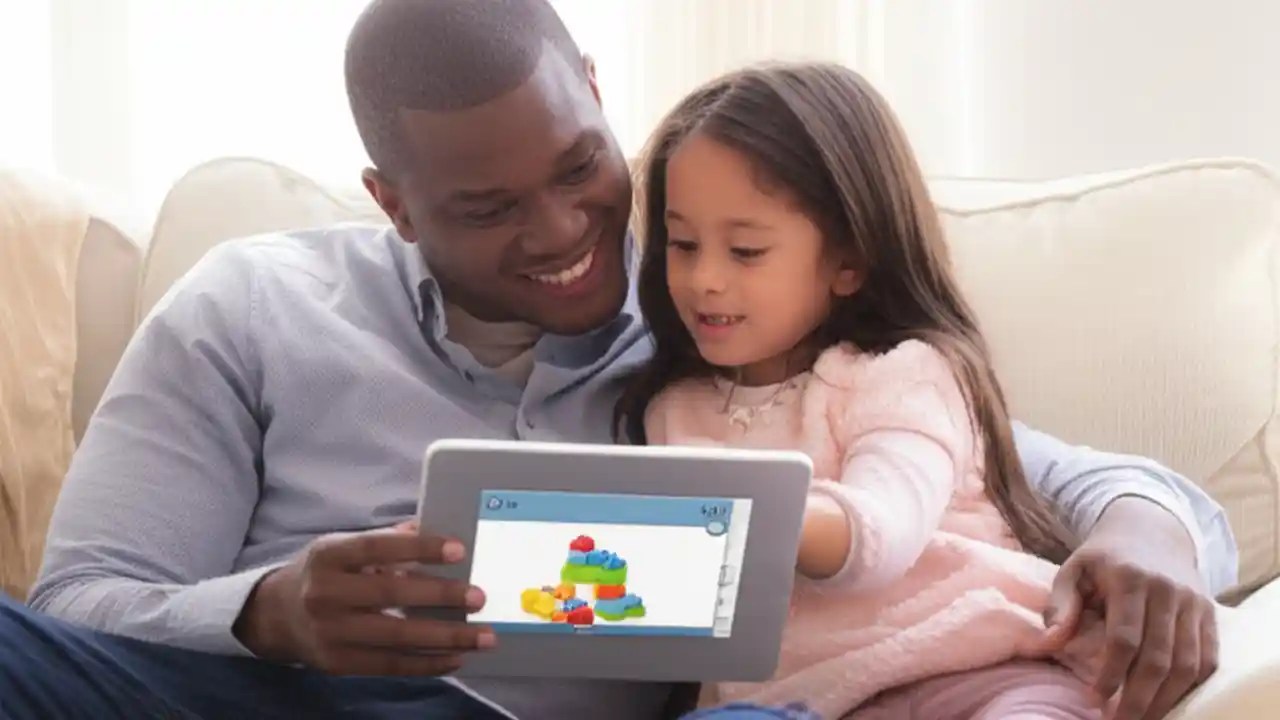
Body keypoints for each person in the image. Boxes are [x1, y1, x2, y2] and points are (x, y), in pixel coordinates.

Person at [0, 1, 1234, 719]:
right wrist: (271, 613)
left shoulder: (723, 316)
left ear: (594, 92)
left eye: (579, 165)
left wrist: (1150, 538)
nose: (561, 234)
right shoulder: (251, 307)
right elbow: (81, 605)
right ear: (392, 202)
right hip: (259, 698)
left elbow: (1008, 469)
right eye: (488, 209)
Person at [616, 61, 1170, 719]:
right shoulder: (672, 411)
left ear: (849, 260)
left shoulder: (903, 375)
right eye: (682, 244)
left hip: (979, 666)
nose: (704, 278)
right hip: (806, 703)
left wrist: (739, 507)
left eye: (746, 251)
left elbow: (882, 533)